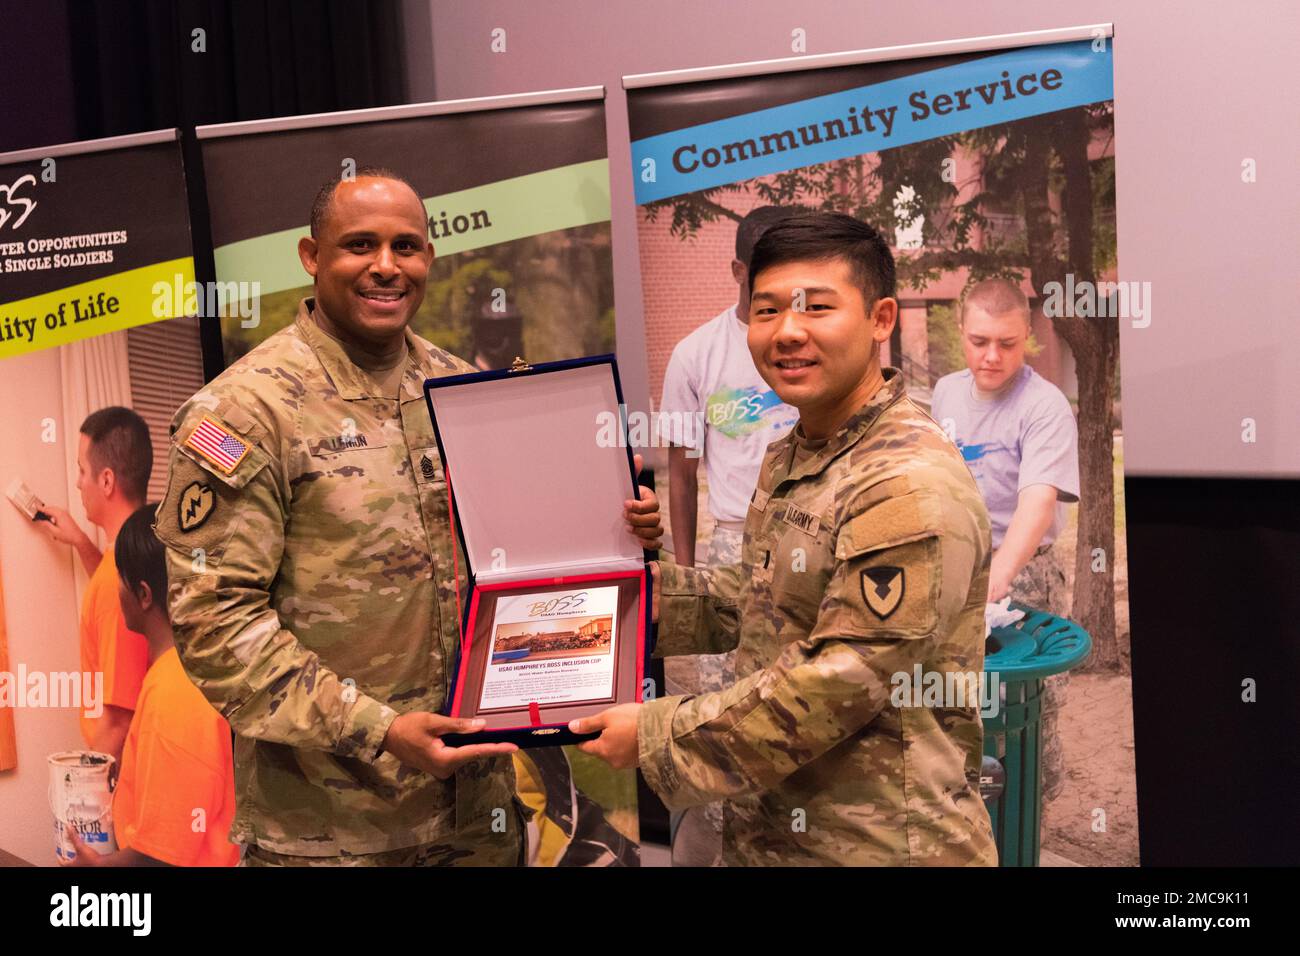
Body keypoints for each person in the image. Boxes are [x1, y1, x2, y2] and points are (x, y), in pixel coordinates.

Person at [151, 167, 662, 866]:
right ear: (311, 256)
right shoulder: (244, 413)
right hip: (335, 836)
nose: (386, 267)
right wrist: (378, 729)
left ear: (429, 258)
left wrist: (615, 530)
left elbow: (517, 562)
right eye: (360, 245)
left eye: (407, 247)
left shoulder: (462, 392)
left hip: (479, 818)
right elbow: (215, 627)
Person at [572, 212, 997, 866]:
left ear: (881, 319)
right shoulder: (793, 454)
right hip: (777, 836)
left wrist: (655, 732)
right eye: (766, 310)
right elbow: (765, 600)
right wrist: (638, 601)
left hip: (882, 845)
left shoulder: (907, 483)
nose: (787, 332)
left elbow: (840, 680)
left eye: (816, 308)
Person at [656, 205, 799, 865]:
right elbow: (680, 474)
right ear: (738, 270)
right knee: (721, 720)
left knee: (797, 708)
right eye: (762, 273)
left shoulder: (807, 344)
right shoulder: (697, 354)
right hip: (732, 546)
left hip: (807, 546)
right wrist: (685, 579)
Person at [929, 277, 1080, 800]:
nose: (992, 356)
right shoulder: (946, 392)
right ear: (961, 332)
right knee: (955, 707)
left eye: (1008, 344)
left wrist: (996, 579)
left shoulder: (1045, 406)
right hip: (957, 568)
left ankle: (1026, 823)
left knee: (1026, 716)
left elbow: (1037, 505)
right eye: (979, 342)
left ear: (1027, 339)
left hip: (1022, 574)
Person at [60, 504, 238, 867]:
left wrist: (97, 867)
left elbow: (161, 857)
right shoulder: (184, 668)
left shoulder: (175, 692)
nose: (115, 591)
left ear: (143, 594)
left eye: (118, 580)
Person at [40, 407, 152, 764]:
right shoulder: (144, 556)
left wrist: (84, 793)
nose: (77, 482)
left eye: (81, 469)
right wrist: (81, 543)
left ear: (106, 481)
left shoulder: (114, 580)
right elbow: (122, 609)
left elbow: (119, 721)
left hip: (126, 771)